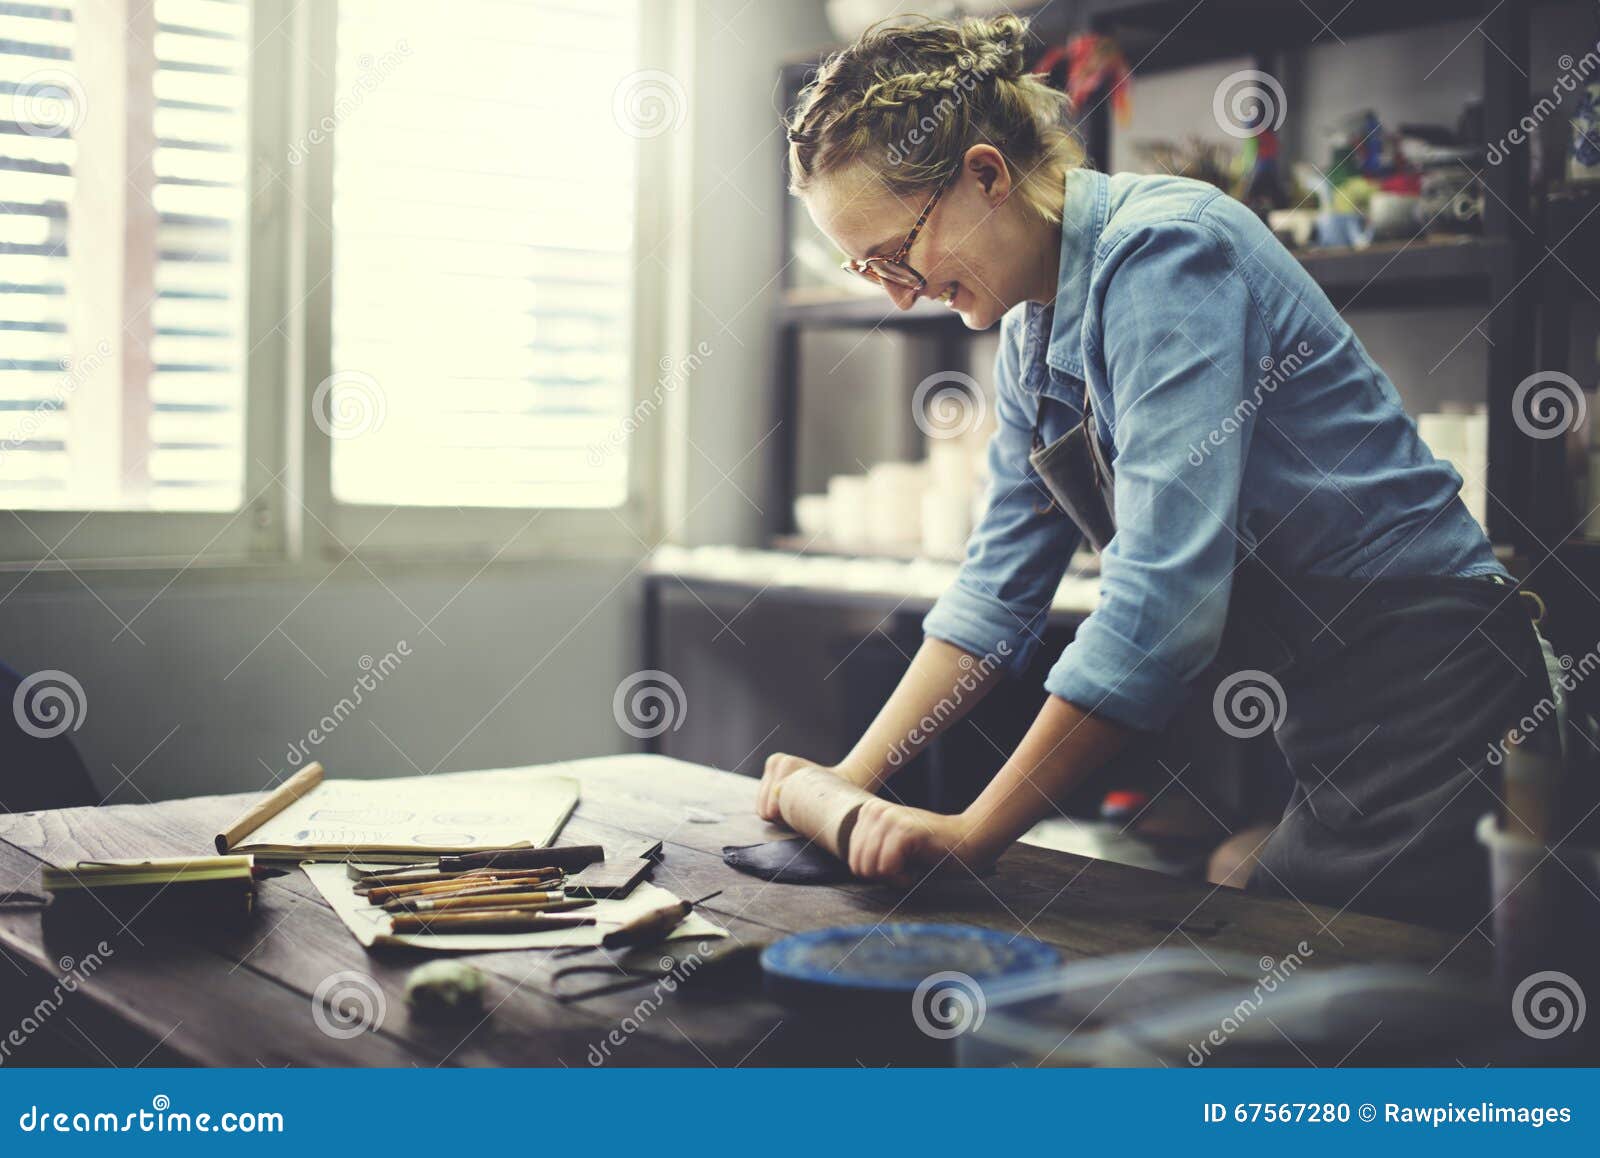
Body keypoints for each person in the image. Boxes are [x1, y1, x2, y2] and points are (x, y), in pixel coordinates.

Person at [758, 14, 1562, 929]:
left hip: (1438, 696)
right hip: (1327, 716)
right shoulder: (1030, 333)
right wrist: (847, 780)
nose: (897, 292)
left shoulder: (1168, 253)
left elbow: (1159, 606)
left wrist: (975, 832)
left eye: (898, 253)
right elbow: (994, 597)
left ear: (984, 175)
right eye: (866, 268)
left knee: (1376, 1006)